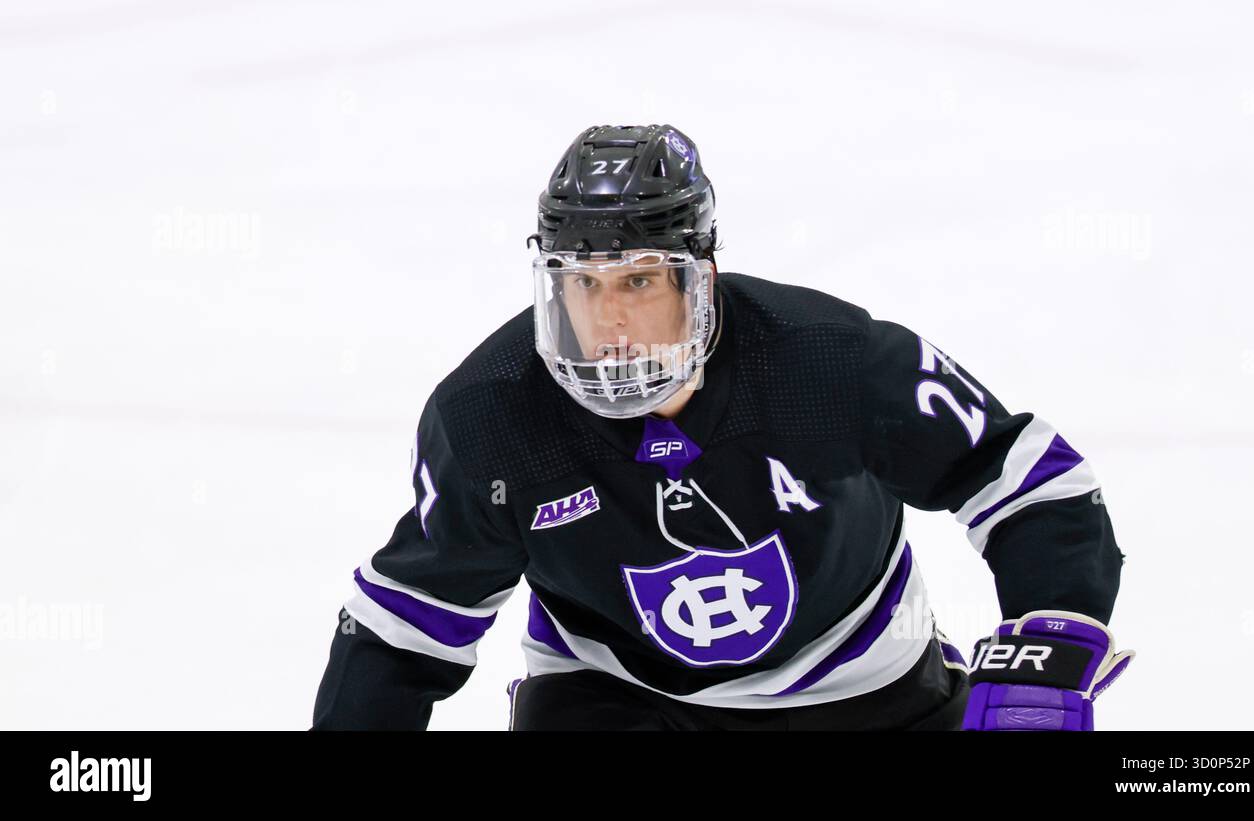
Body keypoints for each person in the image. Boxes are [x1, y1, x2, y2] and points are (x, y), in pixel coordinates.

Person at [311, 124, 1134, 731]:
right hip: (618, 699)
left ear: (700, 276)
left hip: (864, 690)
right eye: (582, 285)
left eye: (639, 280)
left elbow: (1023, 477)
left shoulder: (830, 363)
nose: (609, 319)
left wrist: (1051, 636)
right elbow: (405, 627)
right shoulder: (494, 416)